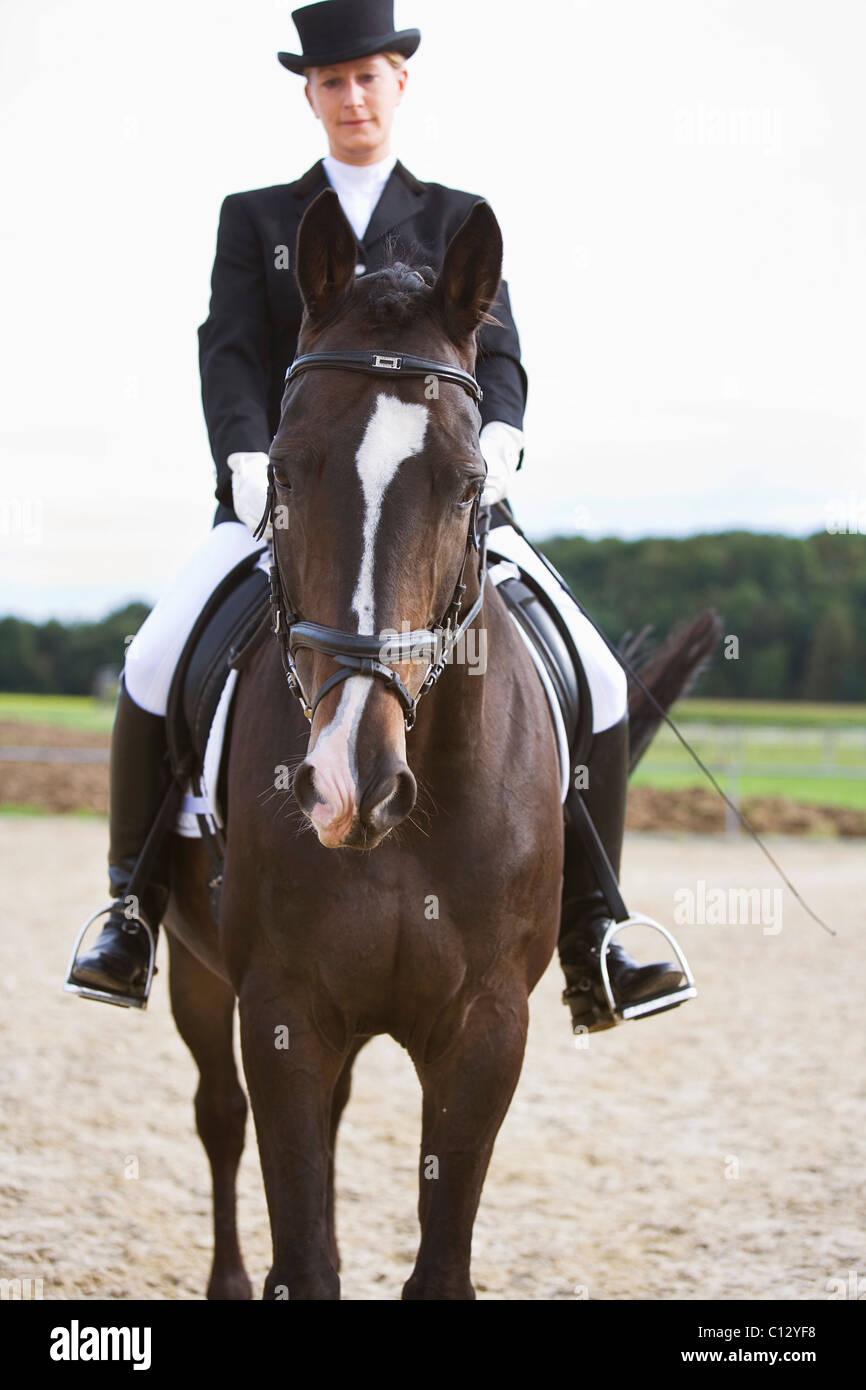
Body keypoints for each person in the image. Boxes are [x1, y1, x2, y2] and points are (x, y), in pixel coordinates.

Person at [69, 0, 683, 1029]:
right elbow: (226, 348)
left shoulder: (453, 215)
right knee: (152, 655)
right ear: (308, 94)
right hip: (289, 502)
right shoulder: (258, 218)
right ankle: (133, 906)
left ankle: (596, 930)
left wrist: (502, 440)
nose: (351, 96)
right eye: (331, 81)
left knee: (601, 675)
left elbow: (500, 351)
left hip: (436, 507)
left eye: (368, 77)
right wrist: (241, 456)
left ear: (400, 82)